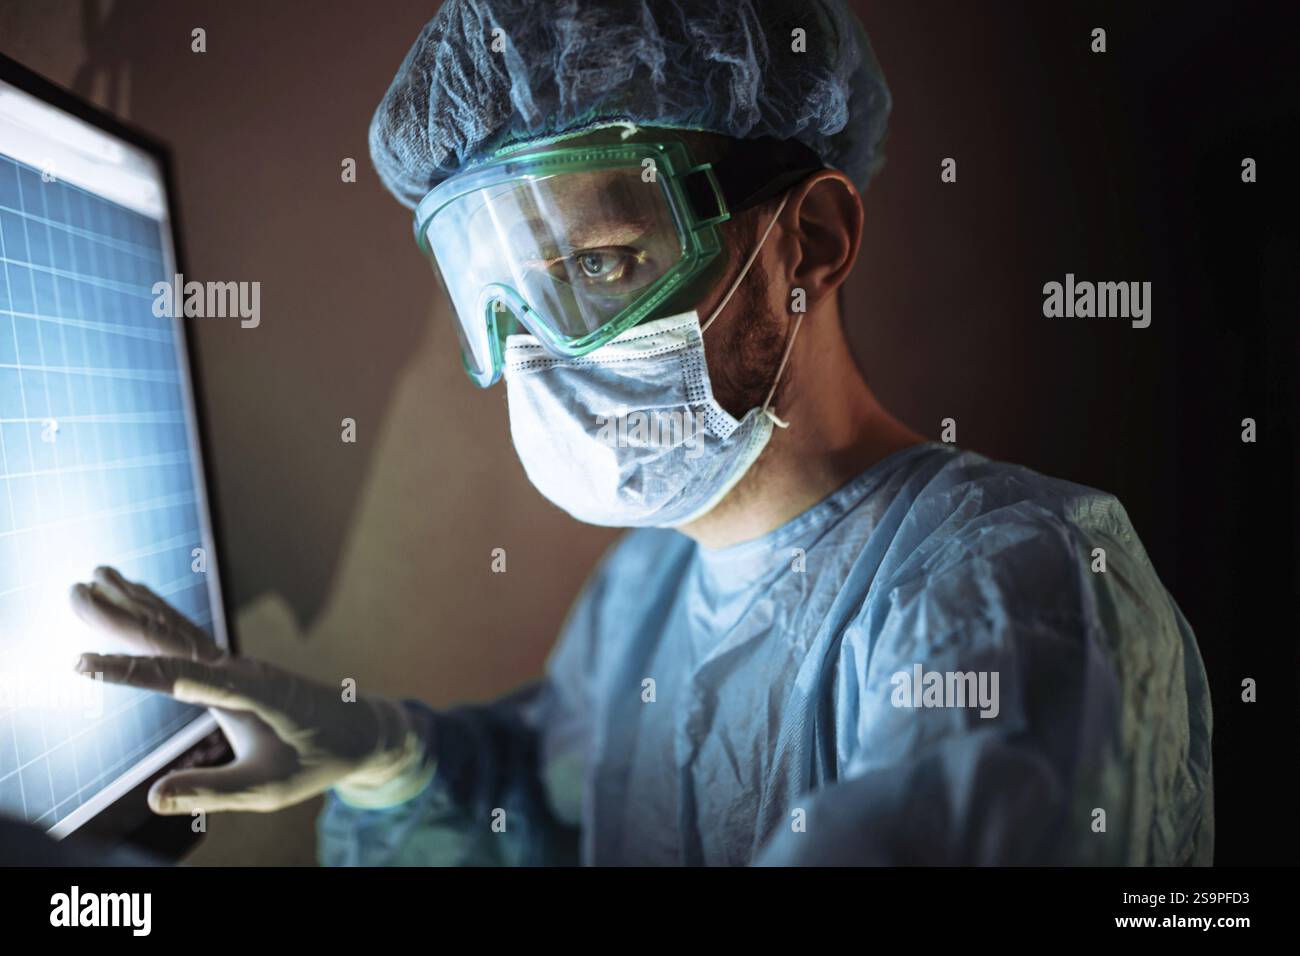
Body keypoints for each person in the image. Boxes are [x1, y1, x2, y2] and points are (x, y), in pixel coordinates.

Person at [72, 0, 1213, 866]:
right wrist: (391, 757)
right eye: (503, 295)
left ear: (807, 241)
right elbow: (543, 797)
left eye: (602, 264)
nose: (541, 351)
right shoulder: (644, 597)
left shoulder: (1021, 587)